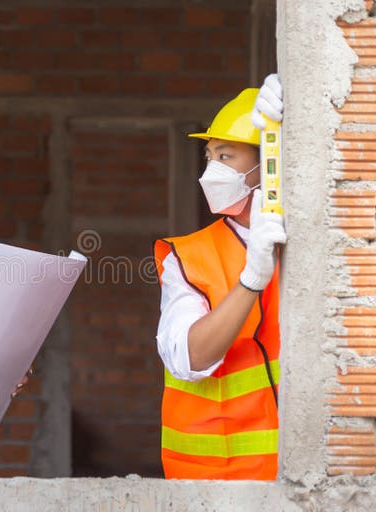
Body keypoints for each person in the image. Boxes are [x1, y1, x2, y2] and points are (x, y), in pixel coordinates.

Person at [153, 75, 286, 480]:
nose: (212, 171)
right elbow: (188, 357)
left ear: (269, 163)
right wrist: (251, 280)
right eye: (209, 156)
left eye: (226, 156)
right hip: (215, 483)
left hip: (307, 481)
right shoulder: (188, 256)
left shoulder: (314, 247)